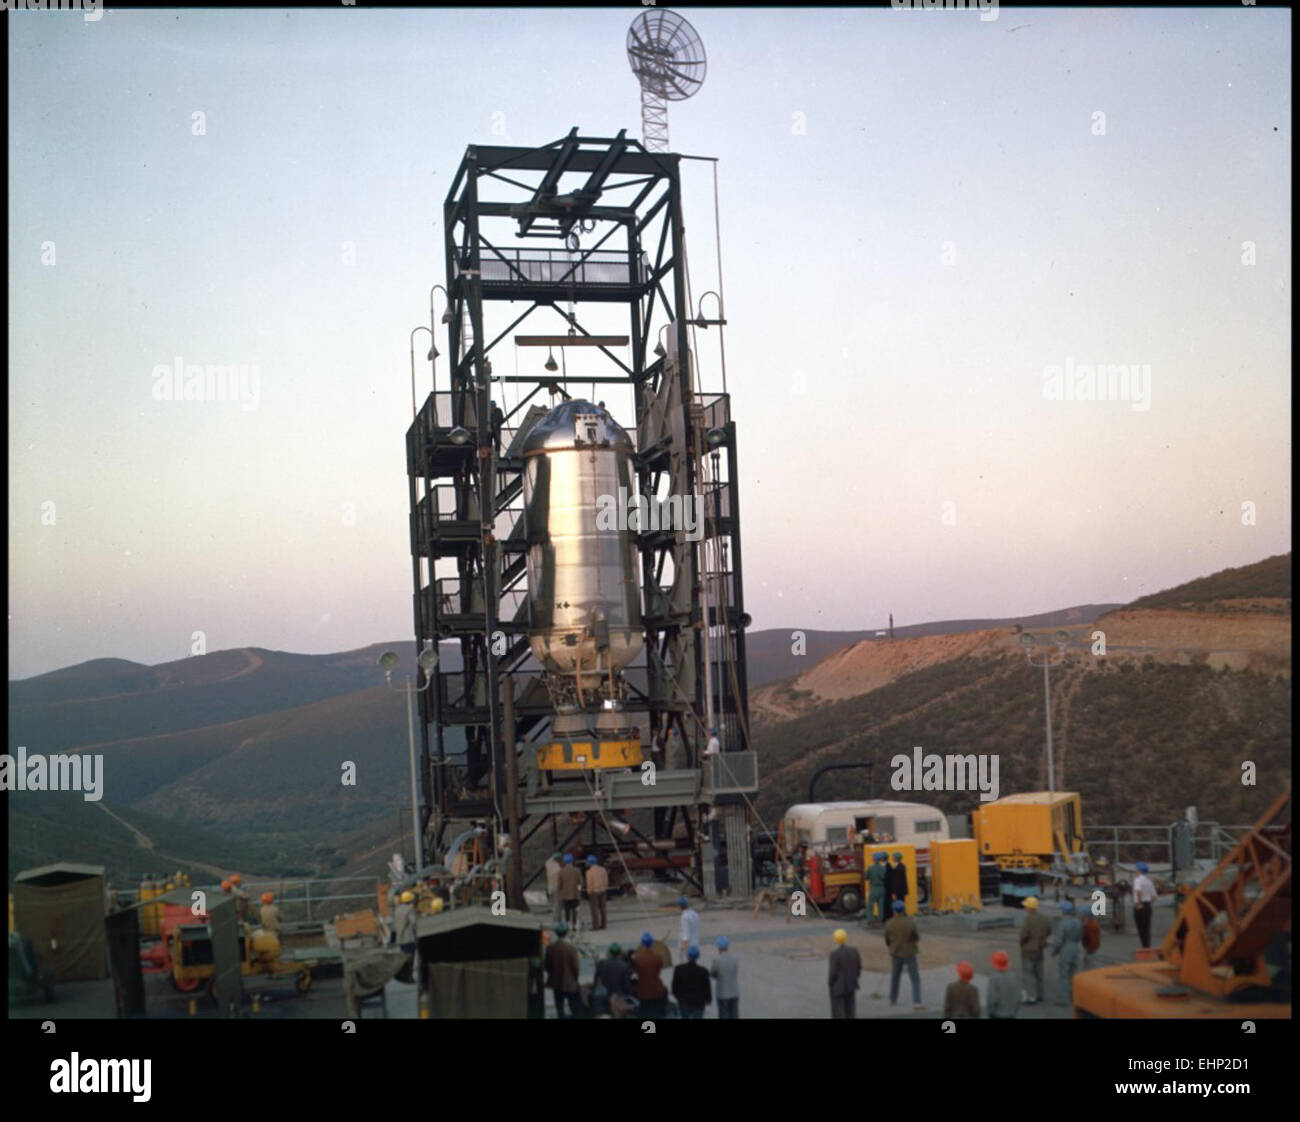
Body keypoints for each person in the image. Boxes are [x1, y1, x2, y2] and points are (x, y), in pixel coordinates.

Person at [884, 899, 924, 1009]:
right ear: (904, 910)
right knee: (915, 978)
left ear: (894, 911)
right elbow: (916, 937)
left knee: (895, 977)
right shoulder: (910, 922)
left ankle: (893, 999)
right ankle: (917, 1002)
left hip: (896, 953)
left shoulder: (889, 923)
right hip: (910, 953)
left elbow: (887, 939)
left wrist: (891, 947)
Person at [1050, 899, 1084, 1007]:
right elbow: (1080, 936)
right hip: (1075, 947)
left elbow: (1059, 939)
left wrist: (1054, 951)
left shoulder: (1063, 923)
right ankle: (1076, 996)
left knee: (1064, 974)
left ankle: (1064, 999)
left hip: (1066, 948)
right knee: (1074, 973)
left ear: (1064, 911)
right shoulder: (1078, 921)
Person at [1019, 896, 1052, 1005]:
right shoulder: (1044, 918)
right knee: (1039, 973)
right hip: (1040, 949)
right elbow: (1049, 931)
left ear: (1029, 908)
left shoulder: (1028, 919)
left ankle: (1031, 997)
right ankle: (1040, 994)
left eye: (1026, 906)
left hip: (1028, 950)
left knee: (1028, 974)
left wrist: (1022, 944)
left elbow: (1023, 935)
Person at [544, 924, 582, 1019]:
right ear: (566, 933)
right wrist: (575, 979)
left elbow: (547, 965)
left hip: (556, 982)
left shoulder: (551, 948)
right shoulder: (571, 948)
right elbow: (576, 967)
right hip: (570, 982)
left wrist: (552, 975)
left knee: (559, 1007)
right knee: (574, 1007)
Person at [631, 931, 669, 1018]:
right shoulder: (658, 958)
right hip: (656, 988)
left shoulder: (637, 959)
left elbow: (636, 971)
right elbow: (658, 971)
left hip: (643, 989)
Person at [827, 928, 862, 1019]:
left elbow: (832, 973)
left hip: (838, 987)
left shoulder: (835, 954)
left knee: (839, 1011)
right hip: (851, 985)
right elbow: (858, 968)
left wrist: (830, 984)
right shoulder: (854, 951)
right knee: (850, 1009)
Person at [593, 943, 635, 1018]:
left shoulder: (601, 964)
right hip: (619, 996)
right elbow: (626, 985)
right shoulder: (624, 966)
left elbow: (596, 980)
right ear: (619, 953)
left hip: (605, 996)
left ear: (609, 952)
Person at [671, 945, 712, 1018]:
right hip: (699, 1003)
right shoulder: (704, 971)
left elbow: (674, 986)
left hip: (684, 1002)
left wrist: (678, 997)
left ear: (687, 956)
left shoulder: (679, 969)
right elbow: (707, 988)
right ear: (698, 956)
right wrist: (708, 999)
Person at [710, 935, 740, 1019]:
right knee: (734, 1014)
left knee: (723, 1014)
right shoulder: (734, 958)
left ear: (718, 947)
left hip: (722, 993)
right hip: (734, 991)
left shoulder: (717, 960)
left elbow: (712, 973)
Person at [986, 950, 1021, 1019]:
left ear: (994, 963)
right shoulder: (1013, 976)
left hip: (998, 1013)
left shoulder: (994, 978)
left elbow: (992, 998)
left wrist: (990, 1012)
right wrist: (1014, 1010)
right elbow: (1018, 996)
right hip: (1011, 1013)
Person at [1132, 862, 1156, 948]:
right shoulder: (1149, 881)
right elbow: (1154, 896)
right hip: (1148, 905)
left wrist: (1139, 903)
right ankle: (1147, 946)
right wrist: (1148, 902)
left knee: (1140, 928)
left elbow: (1138, 891)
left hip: (1140, 905)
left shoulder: (1138, 880)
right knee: (1147, 927)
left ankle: (1144, 946)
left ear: (1139, 870)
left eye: (1136, 869)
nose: (1135, 871)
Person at [557, 853, 582, 929]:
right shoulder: (577, 871)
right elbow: (580, 882)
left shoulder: (561, 872)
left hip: (565, 895)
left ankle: (568, 924)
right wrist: (579, 890)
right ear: (572, 861)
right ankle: (574, 925)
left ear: (565, 861)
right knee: (574, 910)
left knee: (567, 910)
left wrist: (559, 893)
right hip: (575, 894)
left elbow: (559, 885)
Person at [585, 855, 609, 931]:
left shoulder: (589, 872)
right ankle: (604, 924)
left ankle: (596, 926)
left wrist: (588, 891)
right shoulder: (603, 869)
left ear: (589, 862)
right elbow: (606, 880)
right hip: (602, 891)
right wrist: (605, 888)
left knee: (594, 909)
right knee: (603, 908)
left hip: (594, 892)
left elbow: (589, 883)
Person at [866, 851, 889, 926]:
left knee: (871, 905)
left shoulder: (870, 868)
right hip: (881, 888)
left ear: (874, 859)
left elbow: (865, 877)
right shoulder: (883, 868)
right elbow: (884, 877)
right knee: (881, 905)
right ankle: (880, 920)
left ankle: (871, 920)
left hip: (873, 888)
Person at [394, 890, 417, 956]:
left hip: (400, 939)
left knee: (404, 956)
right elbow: (413, 922)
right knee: (412, 956)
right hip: (408, 938)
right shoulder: (409, 909)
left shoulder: (397, 909)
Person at [887, 850, 909, 915]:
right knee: (901, 904)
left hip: (898, 891)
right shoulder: (902, 866)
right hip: (901, 890)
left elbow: (897, 882)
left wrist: (893, 892)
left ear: (896, 858)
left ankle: (902, 918)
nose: (892, 858)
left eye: (893, 857)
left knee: (898, 905)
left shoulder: (898, 868)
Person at [544, 852, 563, 924]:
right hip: (557, 887)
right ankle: (557, 919)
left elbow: (548, 861)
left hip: (550, 887)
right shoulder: (557, 868)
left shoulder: (548, 864)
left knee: (554, 904)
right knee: (557, 904)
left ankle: (556, 918)